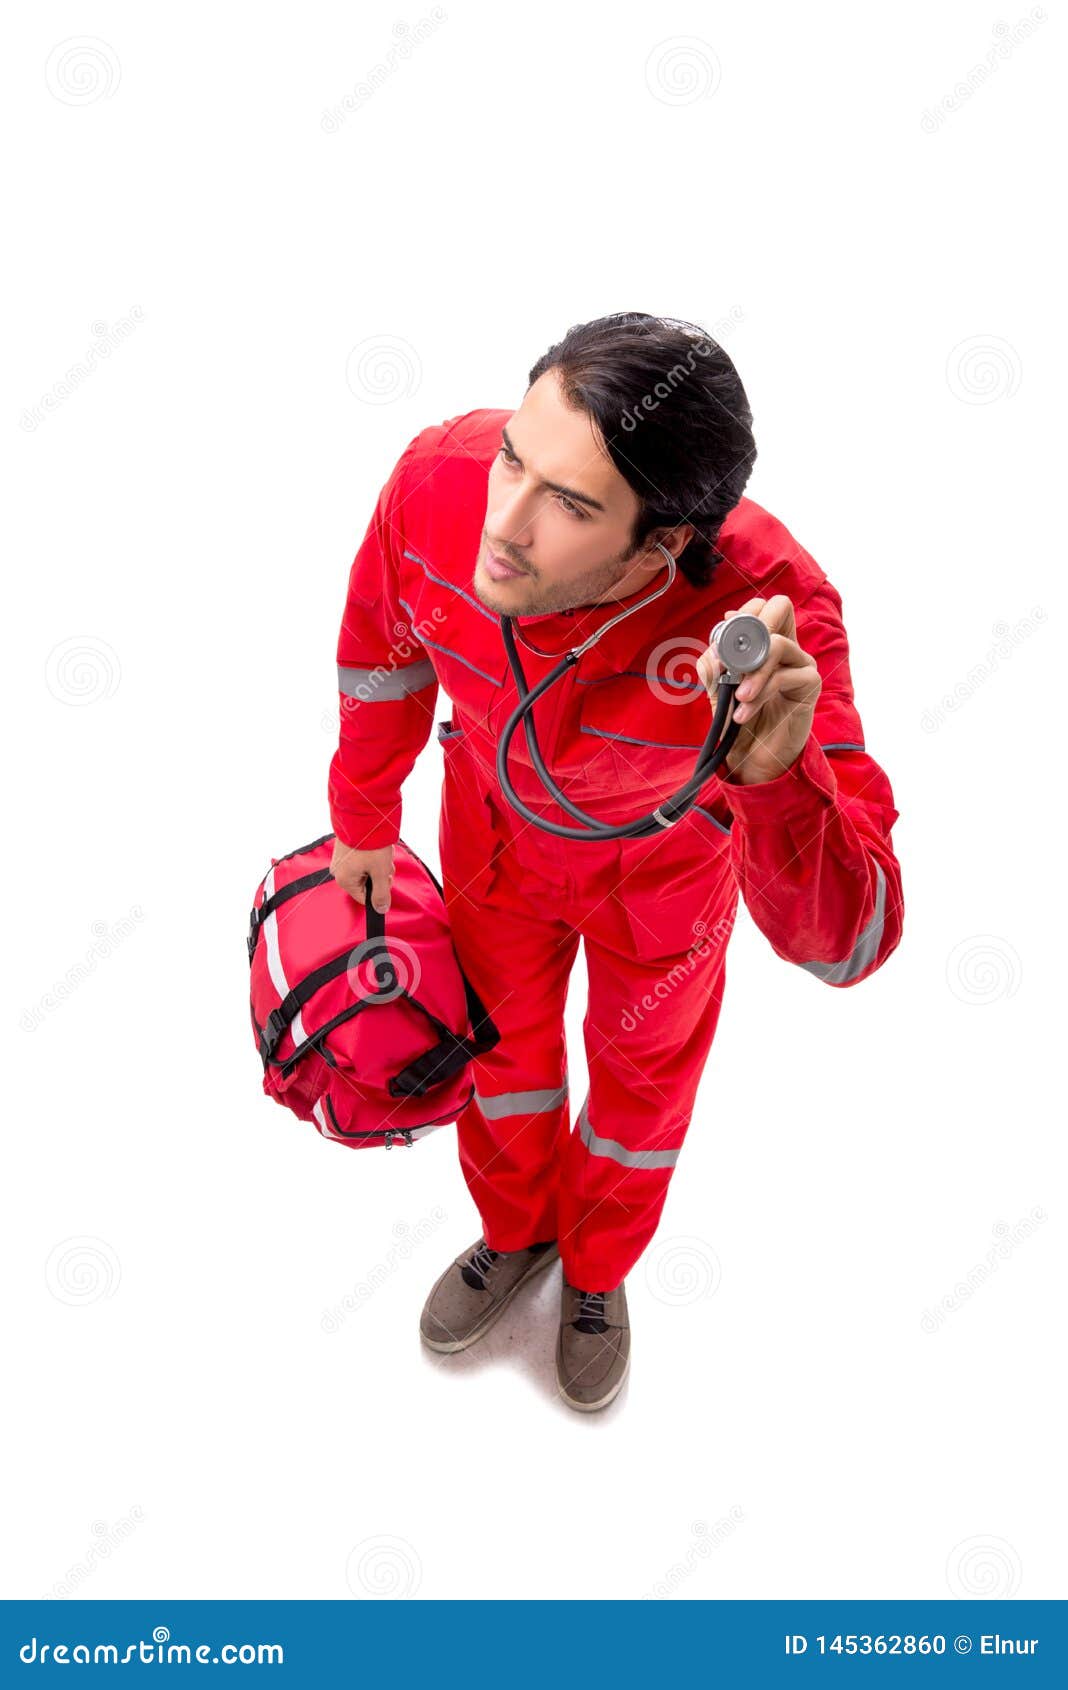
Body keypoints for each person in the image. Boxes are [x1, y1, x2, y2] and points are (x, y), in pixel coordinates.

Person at [326, 312, 904, 1412]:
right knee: (502, 1058)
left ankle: (594, 1270)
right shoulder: (438, 480)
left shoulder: (771, 612)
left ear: (658, 548)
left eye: (571, 505)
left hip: (663, 886)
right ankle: (515, 1233)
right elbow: (380, 652)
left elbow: (851, 941)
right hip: (491, 846)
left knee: (640, 1092)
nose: (502, 524)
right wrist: (362, 810)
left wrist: (780, 781)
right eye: (515, 459)